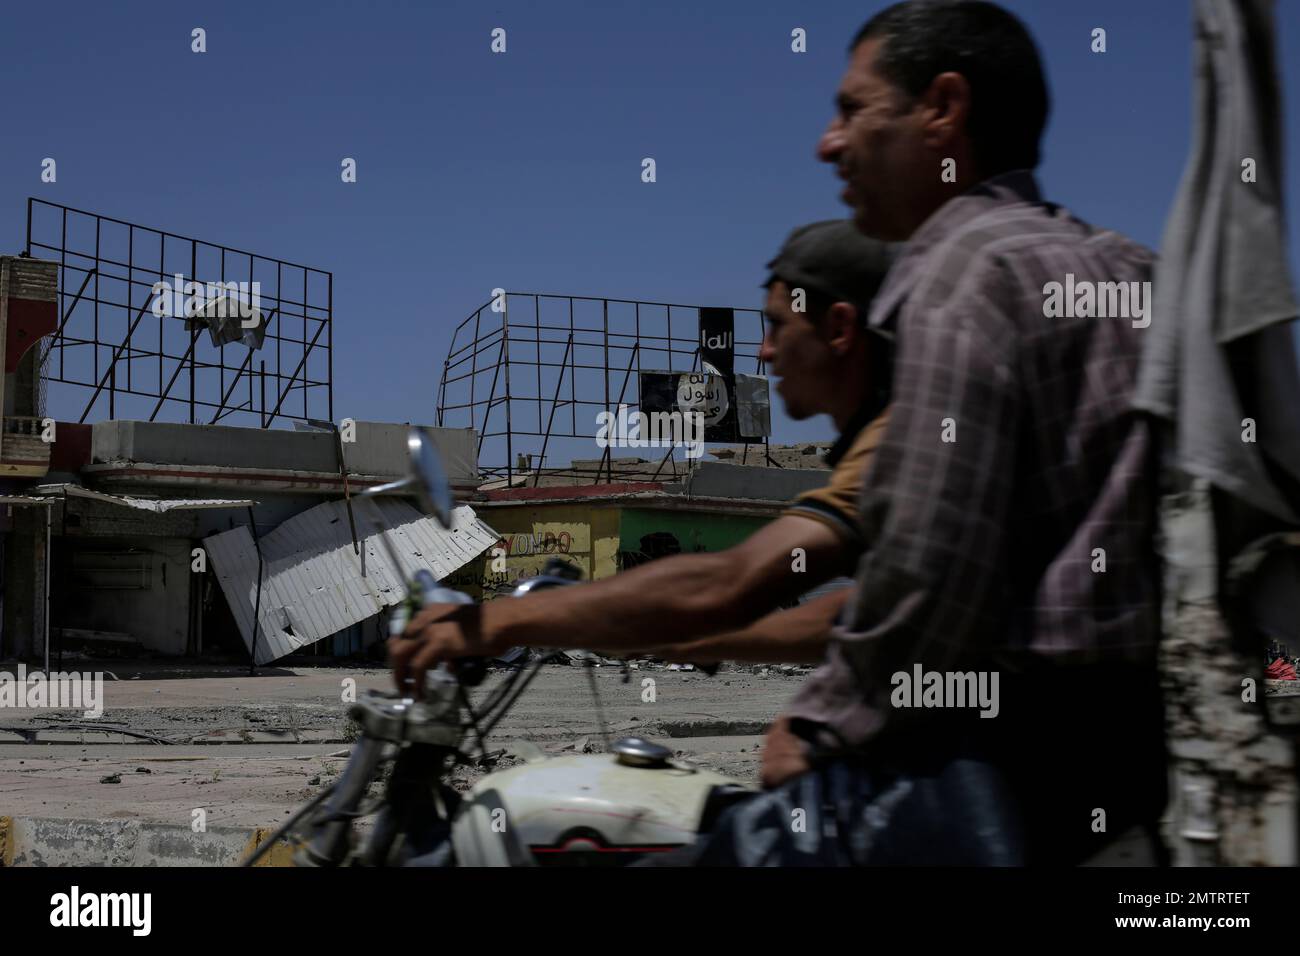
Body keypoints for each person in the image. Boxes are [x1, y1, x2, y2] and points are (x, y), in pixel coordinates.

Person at [391, 221, 895, 723]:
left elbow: (730, 577)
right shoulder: (881, 443)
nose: (763, 351)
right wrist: (706, 635)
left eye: (780, 327)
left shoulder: (900, 447)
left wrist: (499, 620)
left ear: (839, 328)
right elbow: (857, 617)